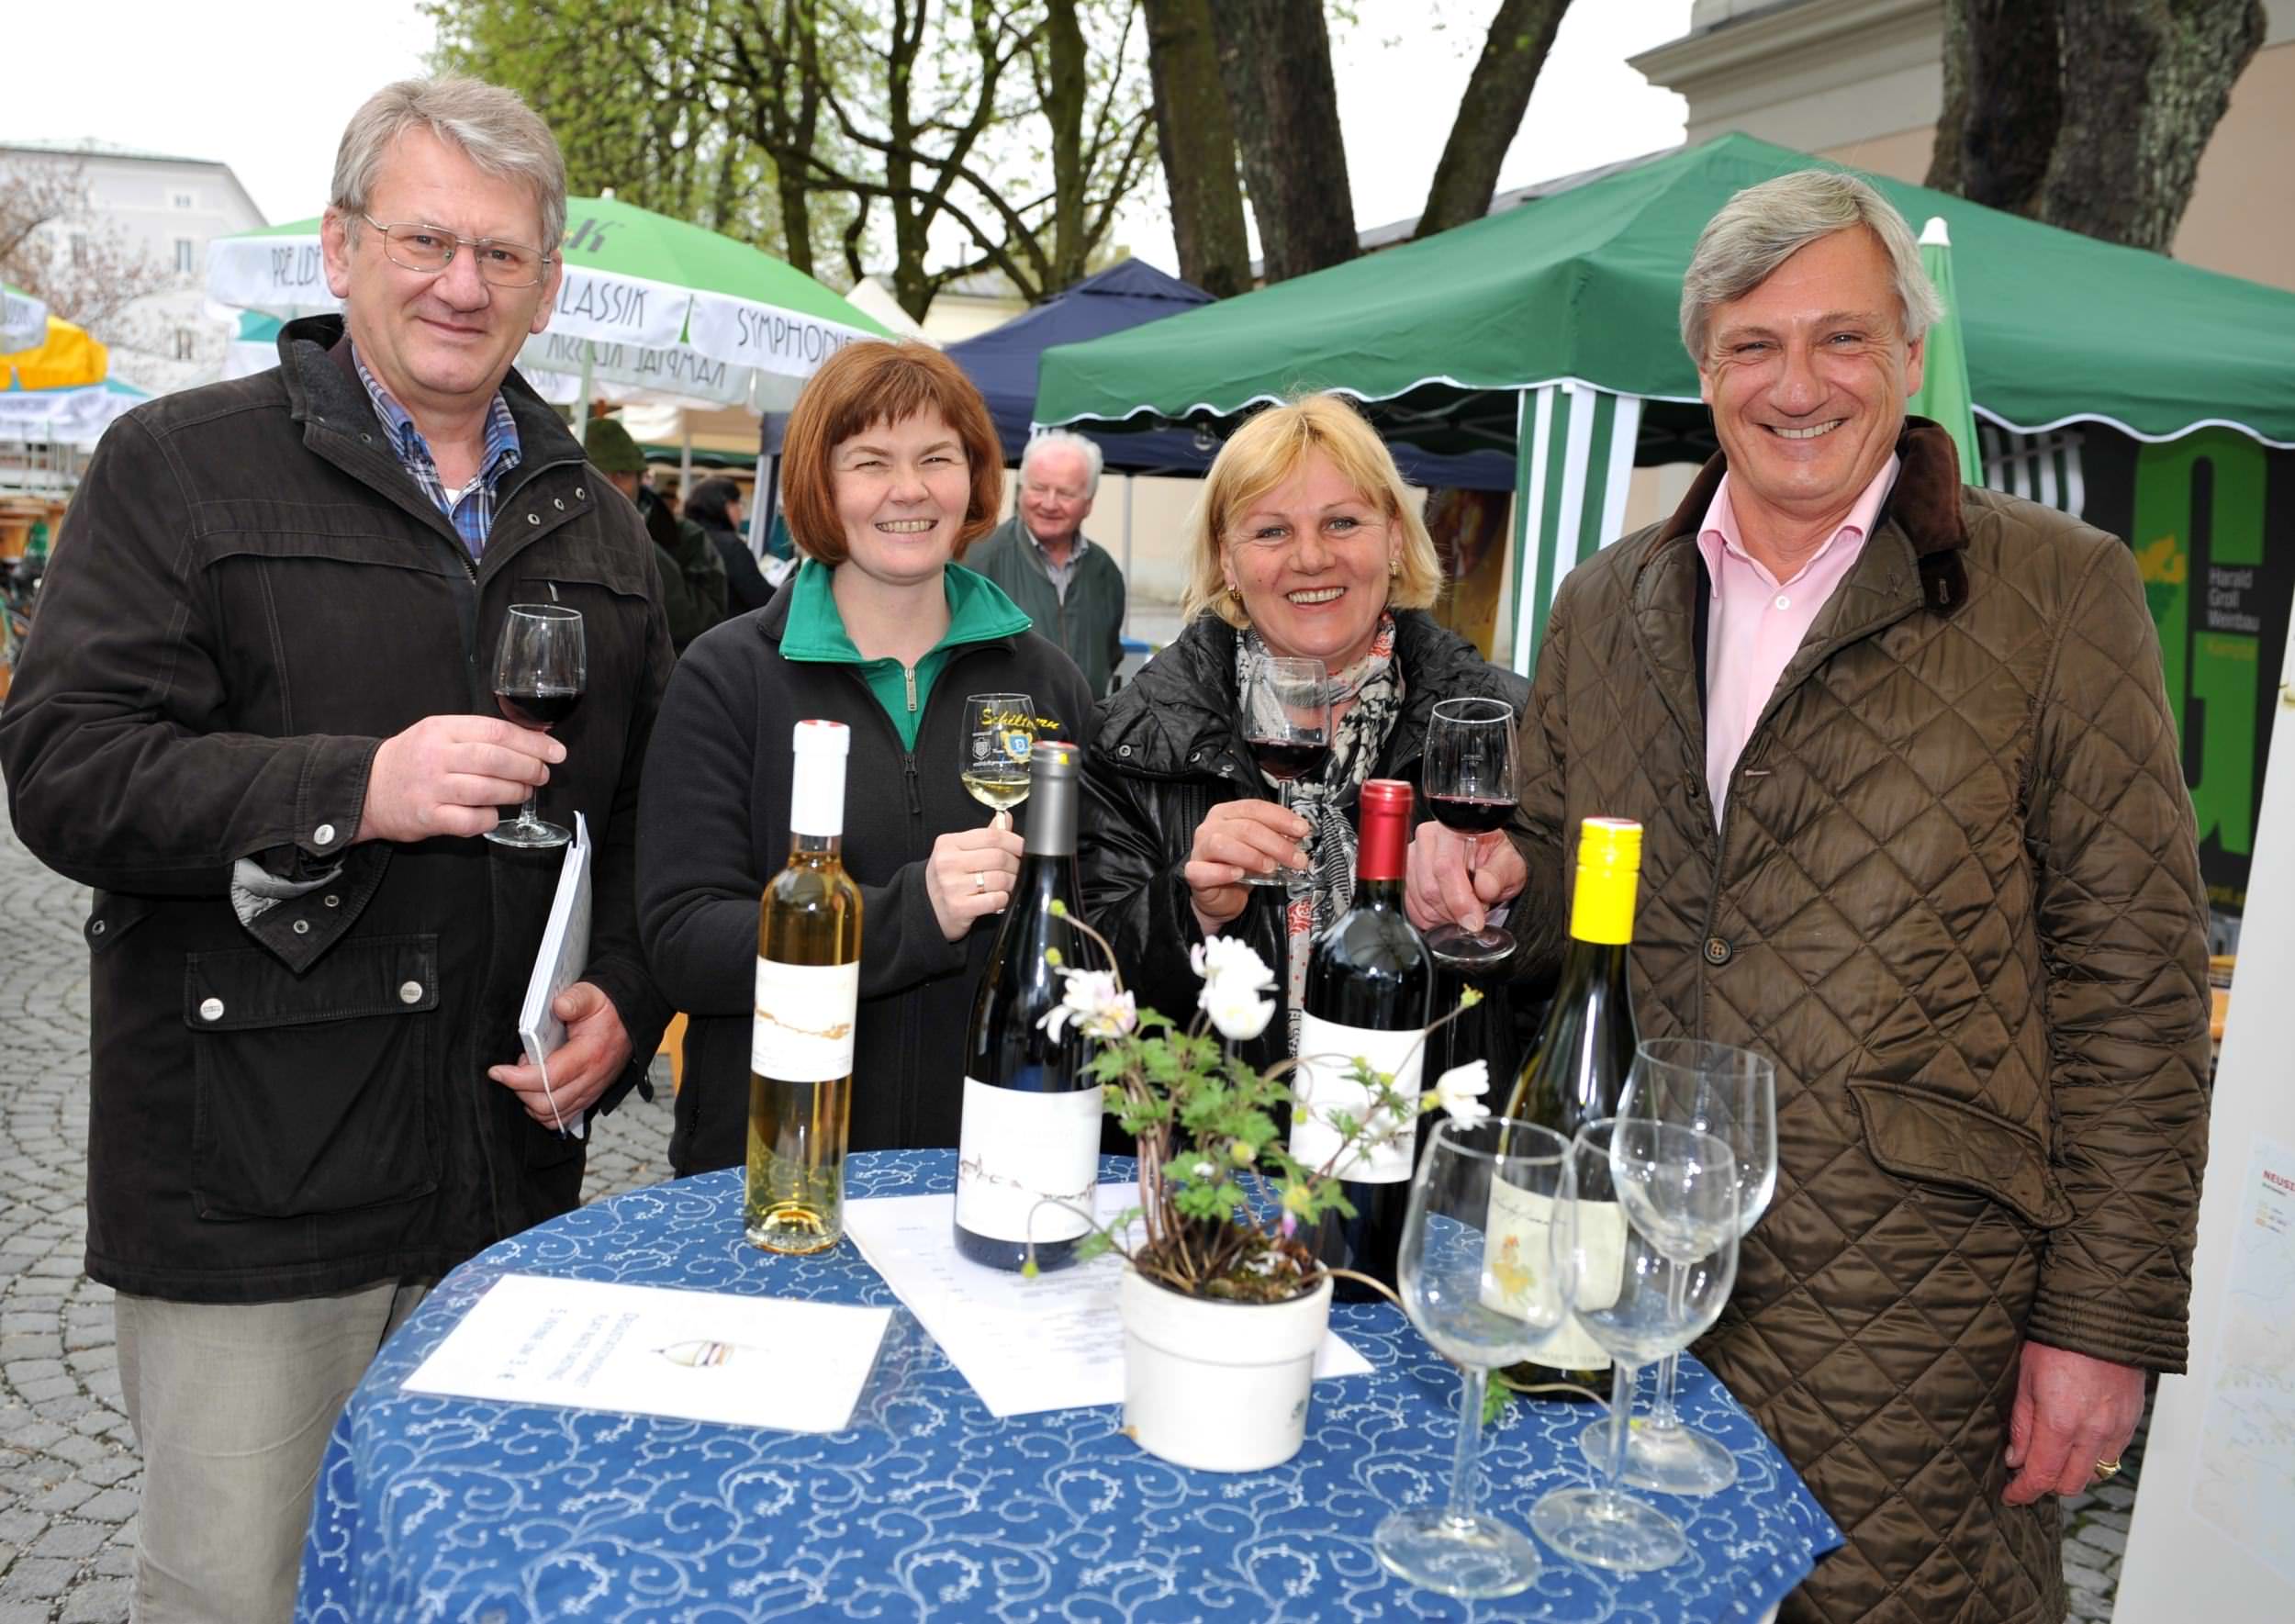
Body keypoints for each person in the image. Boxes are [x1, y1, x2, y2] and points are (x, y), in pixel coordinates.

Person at [1409, 170, 2211, 1622]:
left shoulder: (2053, 592)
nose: (1797, 385)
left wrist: (2099, 1323)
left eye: (1841, 340)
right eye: (1752, 345)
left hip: (1912, 1305)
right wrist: (1475, 892)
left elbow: (2138, 984)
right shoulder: (1606, 600)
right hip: (1629, 1270)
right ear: (1704, 366)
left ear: (1911, 355)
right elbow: (1549, 897)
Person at [0, 77, 674, 1622]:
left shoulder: (601, 529)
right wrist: (356, 782)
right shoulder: (178, 466)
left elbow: (629, 819)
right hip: (252, 1177)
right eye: (426, 239)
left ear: (547, 283)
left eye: (502, 255)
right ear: (341, 249)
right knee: (238, 1591)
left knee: (461, 1588)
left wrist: (625, 991)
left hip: (500, 1176)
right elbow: (63, 768)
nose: (462, 283)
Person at [637, 341, 1093, 1174]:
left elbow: (1087, 919)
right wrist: (907, 914)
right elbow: (685, 944)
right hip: (776, 1166)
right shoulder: (730, 675)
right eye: (871, 461)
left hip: (992, 1164)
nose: (909, 489)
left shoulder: (1046, 683)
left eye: (936, 458)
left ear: (975, 477)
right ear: (822, 483)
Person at [1080, 393, 1528, 1078]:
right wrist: (1187, 907)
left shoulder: (1501, 726)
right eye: (1271, 533)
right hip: (1209, 1164)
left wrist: (1508, 892)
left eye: (1343, 522)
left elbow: (1563, 970)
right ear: (1227, 562)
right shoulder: (1136, 736)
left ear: (1396, 539)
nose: (1312, 558)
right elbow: (1081, 986)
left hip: (1423, 1154)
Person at [968, 430, 1128, 698]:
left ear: (1088, 504)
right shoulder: (978, 561)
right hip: (1008, 734)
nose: (1049, 503)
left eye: (1065, 493)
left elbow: (1109, 656)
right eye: (1039, 488)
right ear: (1020, 492)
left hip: (1083, 732)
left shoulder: (1105, 572)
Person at [583, 415, 727, 651]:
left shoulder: (686, 536)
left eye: (621, 474)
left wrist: (636, 540)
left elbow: (705, 621)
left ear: (640, 479)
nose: (609, 485)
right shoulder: (568, 537)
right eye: (597, 474)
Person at [686, 474, 776, 614]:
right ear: (725, 506)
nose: (741, 511)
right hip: (729, 629)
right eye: (738, 503)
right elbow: (762, 598)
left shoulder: (687, 538)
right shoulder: (732, 546)